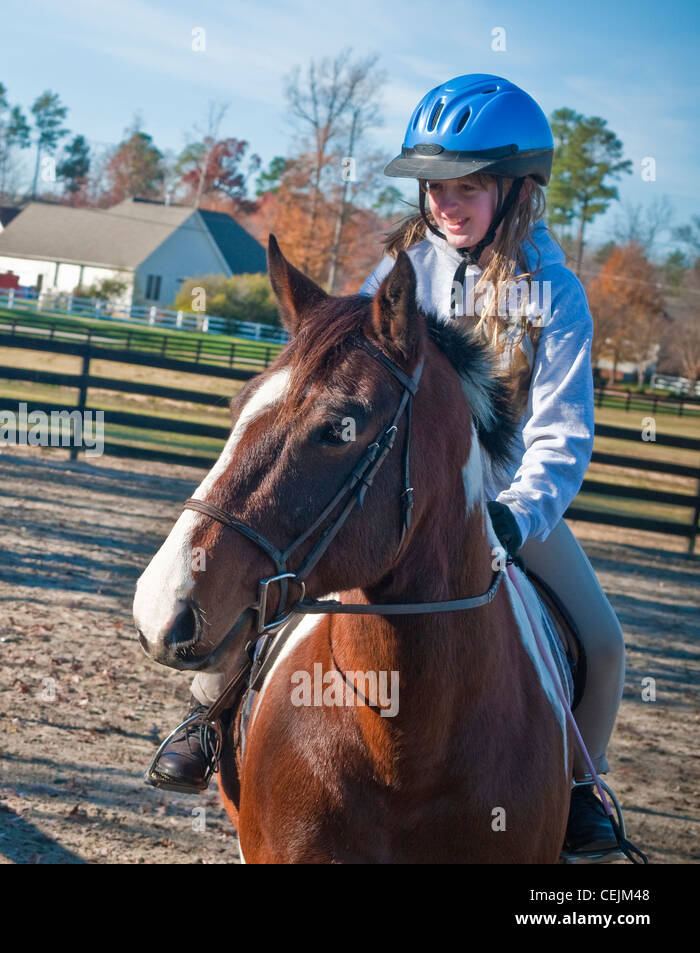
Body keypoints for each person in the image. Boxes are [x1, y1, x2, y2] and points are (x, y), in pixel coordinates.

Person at [147, 74, 627, 861]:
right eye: (434, 186)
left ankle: (580, 794)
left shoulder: (557, 296)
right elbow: (347, 370)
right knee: (287, 566)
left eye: (467, 186)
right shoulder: (405, 270)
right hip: (395, 495)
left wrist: (519, 513)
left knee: (604, 644)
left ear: (515, 190)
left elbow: (562, 437)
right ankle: (209, 711)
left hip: (499, 508)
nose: (446, 203)